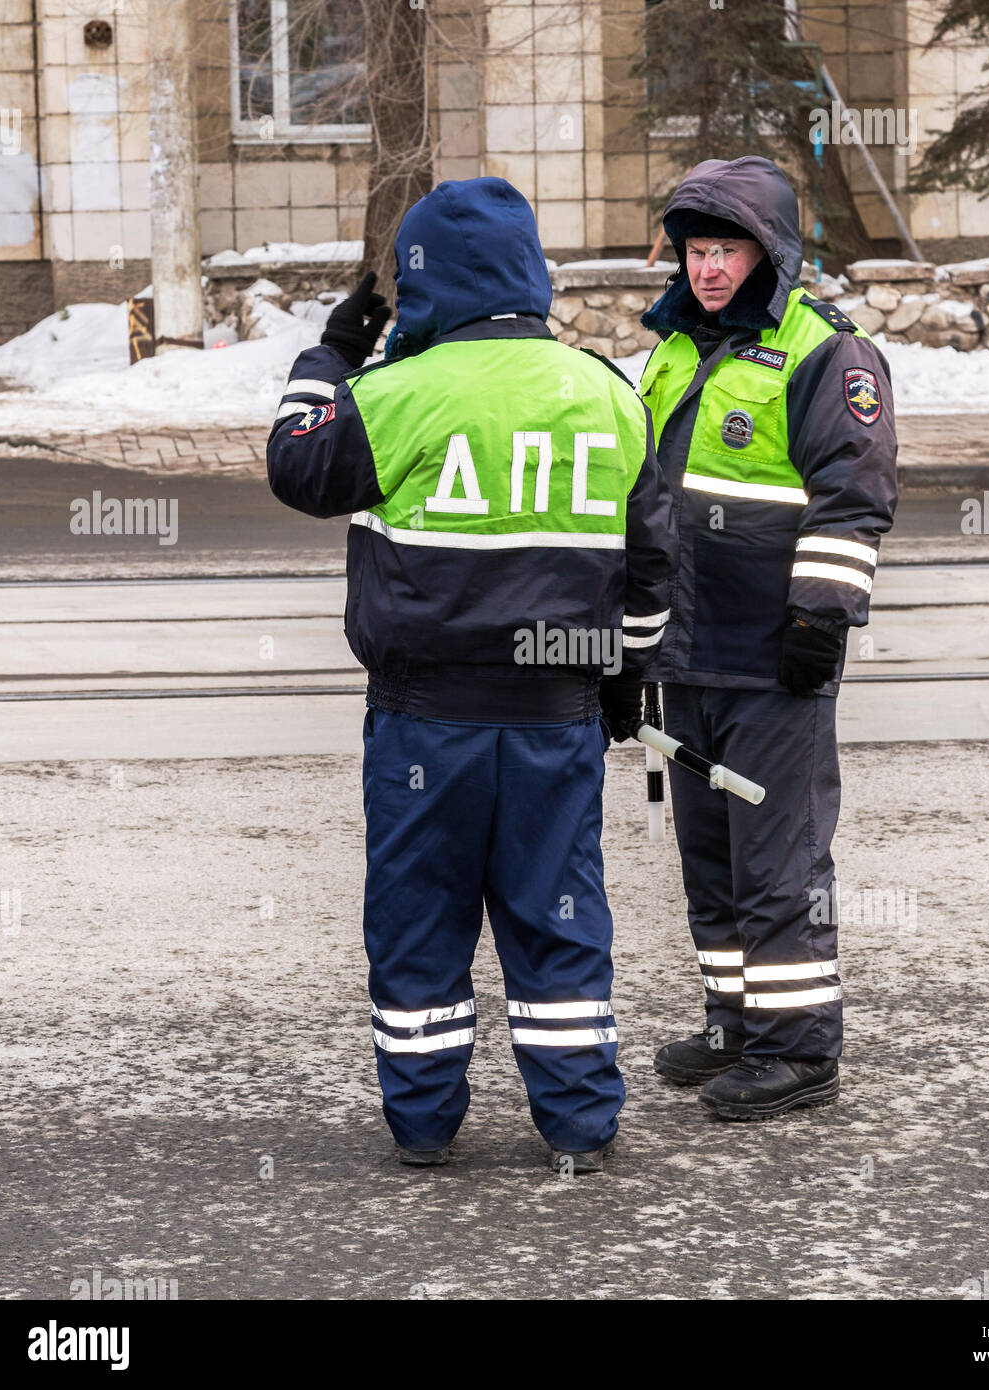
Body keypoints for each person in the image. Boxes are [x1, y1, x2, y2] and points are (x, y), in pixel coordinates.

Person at [266, 177, 674, 1173]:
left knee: (419, 916)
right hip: (558, 720)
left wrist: (331, 354)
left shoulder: (391, 395)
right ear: (528, 276)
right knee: (559, 914)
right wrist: (625, 680)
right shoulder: (606, 394)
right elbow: (653, 569)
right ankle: (578, 1117)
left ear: (422, 287)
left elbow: (294, 467)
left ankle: (422, 1120)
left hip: (423, 725)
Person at [640, 156, 898, 1119]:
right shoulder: (672, 348)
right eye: (697, 250)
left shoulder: (828, 352)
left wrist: (818, 622)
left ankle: (797, 1052)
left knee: (777, 859)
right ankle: (733, 1025)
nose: (708, 269)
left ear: (771, 253)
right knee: (710, 855)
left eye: (728, 250)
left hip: (771, 658)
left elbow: (854, 498)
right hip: (686, 653)